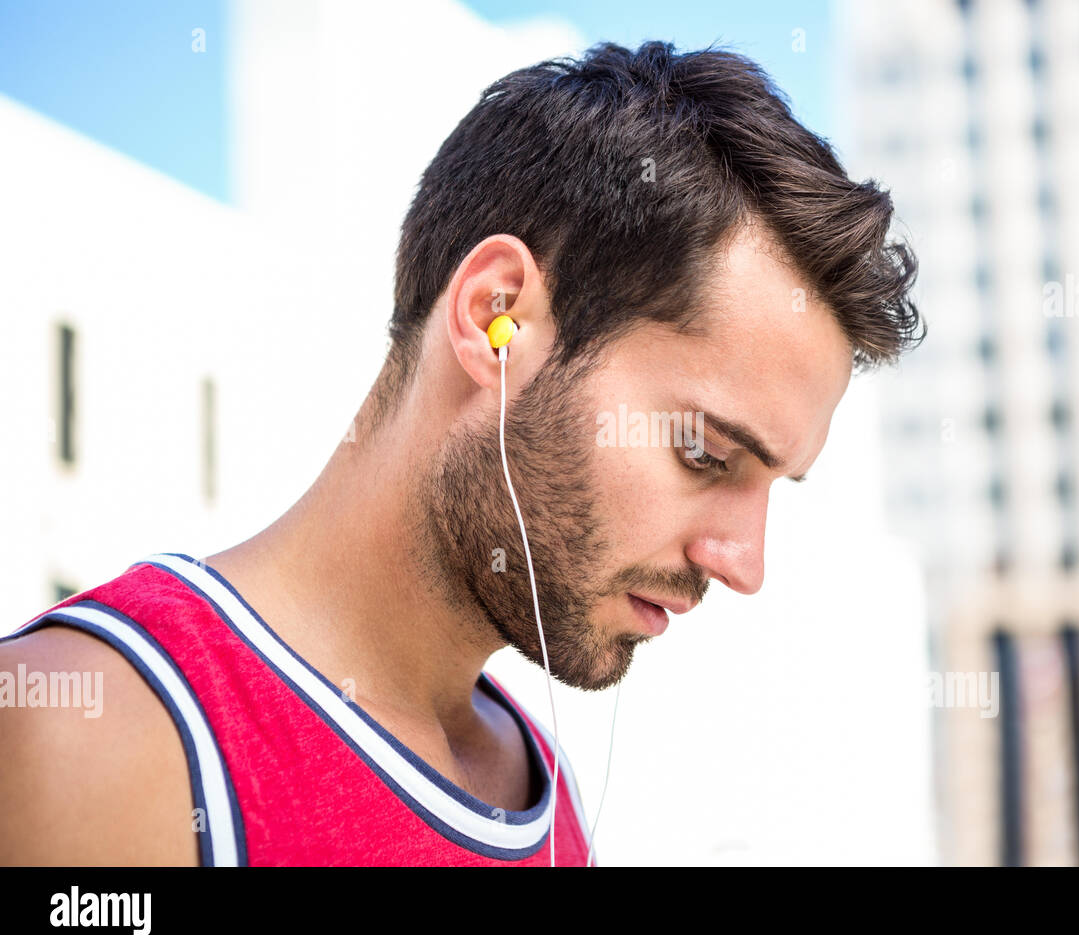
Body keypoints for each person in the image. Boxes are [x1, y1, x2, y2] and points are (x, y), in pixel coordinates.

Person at [0, 39, 922, 866]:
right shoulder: (90, 734)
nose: (745, 564)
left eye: (776, 485)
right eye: (706, 454)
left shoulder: (541, 790)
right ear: (497, 318)